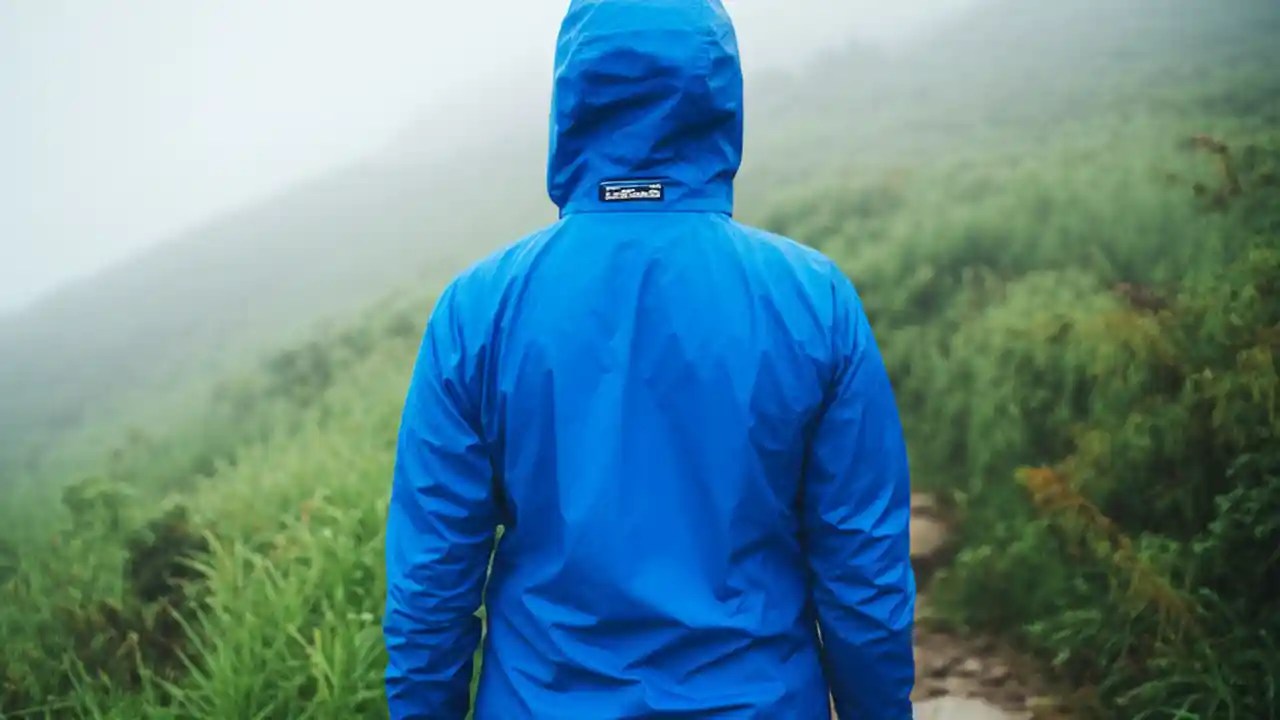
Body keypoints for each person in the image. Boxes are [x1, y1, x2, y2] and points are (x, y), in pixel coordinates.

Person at [382, 1, 916, 717]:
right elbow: (864, 575)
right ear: (718, 92)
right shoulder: (813, 300)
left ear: (571, 97)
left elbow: (431, 584)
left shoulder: (477, 311)